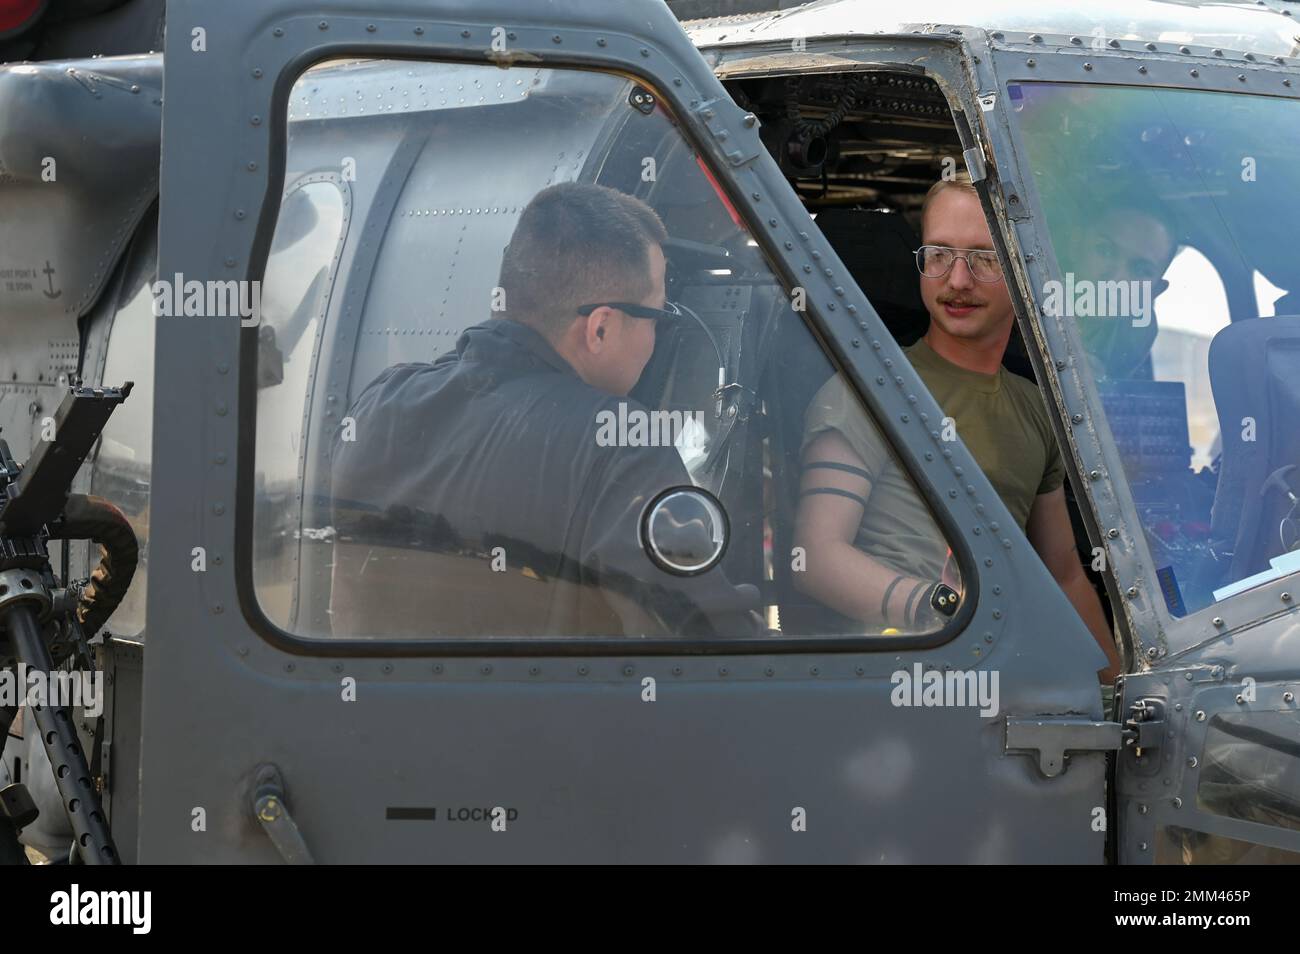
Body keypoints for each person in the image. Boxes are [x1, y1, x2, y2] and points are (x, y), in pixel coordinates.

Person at [328, 182, 756, 638]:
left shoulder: (382, 403)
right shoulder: (622, 446)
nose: (657, 337)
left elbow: (341, 602)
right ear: (601, 329)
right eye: (658, 315)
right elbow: (707, 647)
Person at [794, 171, 1121, 682]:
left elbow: (1064, 574)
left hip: (996, 680)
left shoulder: (1037, 408)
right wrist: (940, 608)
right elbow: (815, 556)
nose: (958, 280)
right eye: (939, 255)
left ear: (1025, 269)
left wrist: (1119, 695)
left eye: (985, 258)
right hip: (889, 682)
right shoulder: (868, 392)